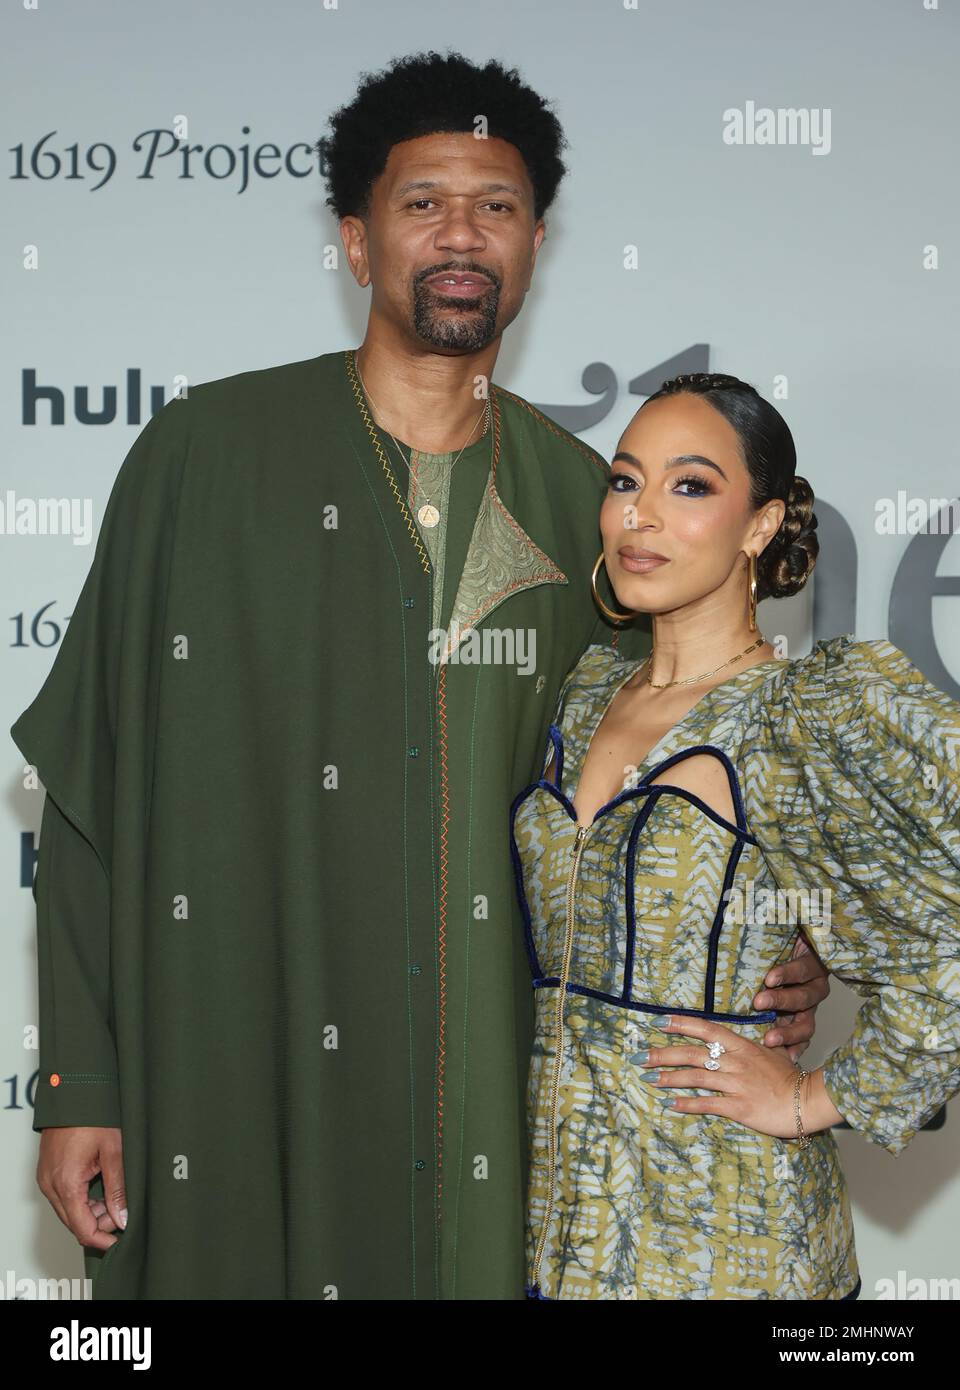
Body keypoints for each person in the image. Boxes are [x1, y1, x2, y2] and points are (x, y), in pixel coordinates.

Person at [11, 52, 829, 1301]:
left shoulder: (591, 510)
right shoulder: (200, 459)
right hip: (234, 1055)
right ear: (355, 241)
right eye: (422, 202)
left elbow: (687, 775)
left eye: (495, 206)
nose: (462, 234)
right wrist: (81, 1077)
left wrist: (780, 943)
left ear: (536, 243)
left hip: (492, 1096)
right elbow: (88, 799)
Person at [510, 371, 960, 1300]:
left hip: (730, 1238)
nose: (640, 515)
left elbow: (948, 947)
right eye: (626, 481)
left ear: (759, 525)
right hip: (558, 1229)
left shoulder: (801, 715)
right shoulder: (584, 688)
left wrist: (814, 1098)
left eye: (690, 486)